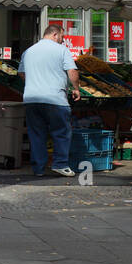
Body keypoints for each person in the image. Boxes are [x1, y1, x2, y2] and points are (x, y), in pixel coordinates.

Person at [18, 25, 80, 178]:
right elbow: (72, 71)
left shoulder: (29, 51)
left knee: (37, 134)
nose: (63, 40)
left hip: (31, 98)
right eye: (62, 37)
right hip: (55, 99)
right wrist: (76, 88)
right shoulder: (61, 50)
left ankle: (38, 168)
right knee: (61, 132)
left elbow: (21, 73)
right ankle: (60, 164)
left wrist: (34, 82)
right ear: (54, 34)